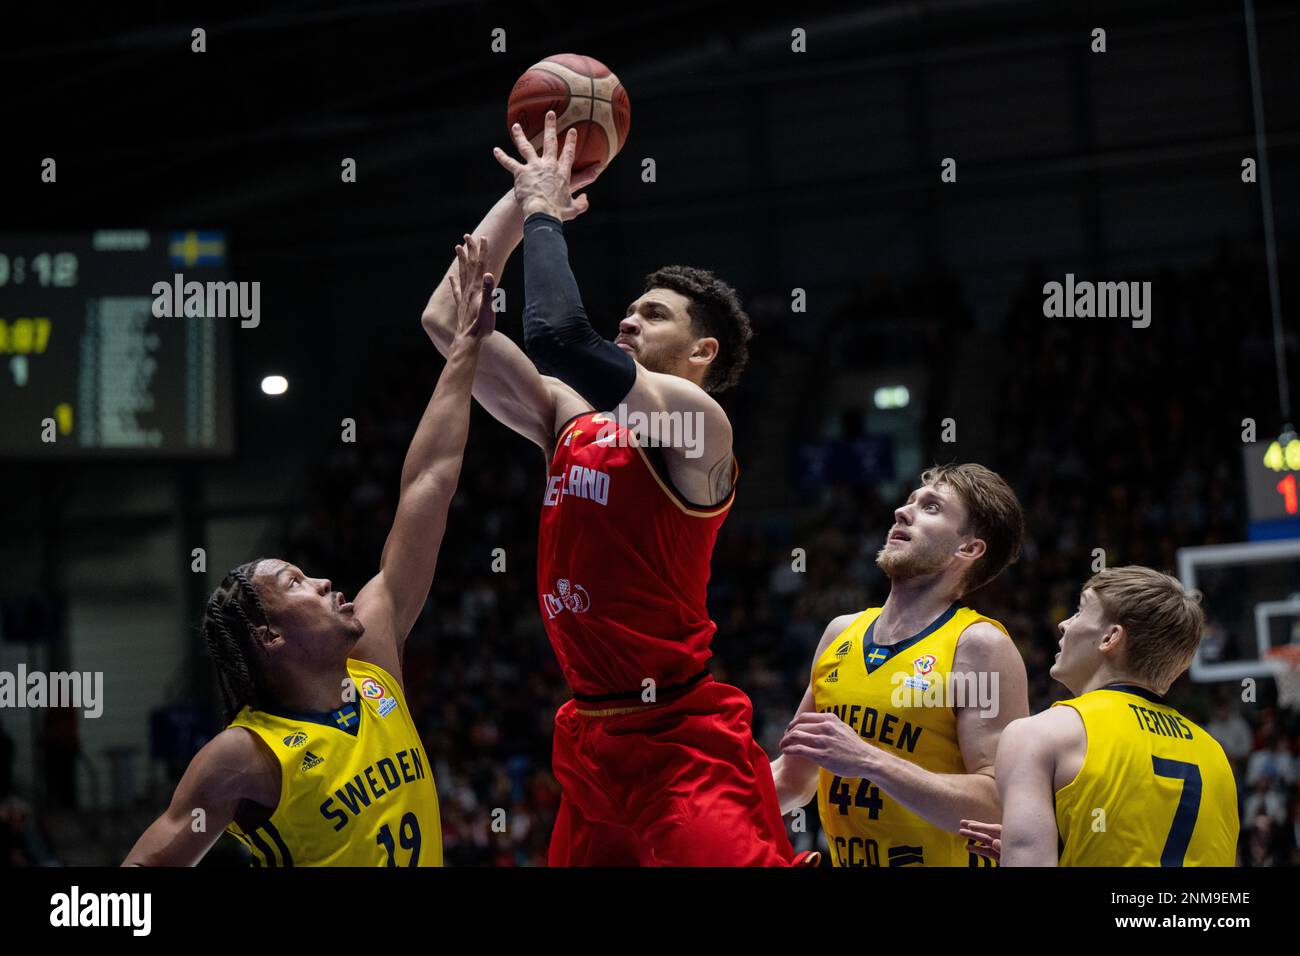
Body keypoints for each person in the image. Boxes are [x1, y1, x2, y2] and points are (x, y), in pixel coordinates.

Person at [420, 110, 805, 865]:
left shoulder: (700, 425)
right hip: (591, 738)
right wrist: (529, 192)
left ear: (701, 350)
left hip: (681, 741)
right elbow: (445, 321)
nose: (629, 317)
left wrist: (543, 215)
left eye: (652, 314)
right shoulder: (570, 417)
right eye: (629, 307)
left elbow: (561, 338)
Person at [123, 239, 495, 866]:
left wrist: (466, 348)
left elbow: (428, 482)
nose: (323, 582)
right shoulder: (244, 755)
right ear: (267, 636)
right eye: (295, 583)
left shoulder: (375, 659)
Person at [773, 463, 1030, 866]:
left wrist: (868, 761)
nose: (902, 511)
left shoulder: (978, 646)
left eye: (931, 507)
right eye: (910, 500)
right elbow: (793, 778)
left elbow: (998, 804)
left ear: (968, 548)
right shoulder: (841, 632)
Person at [961, 566, 1239, 866]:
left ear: (1110, 637)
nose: (1064, 624)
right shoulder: (1215, 753)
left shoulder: (1039, 735)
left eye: (1080, 612)